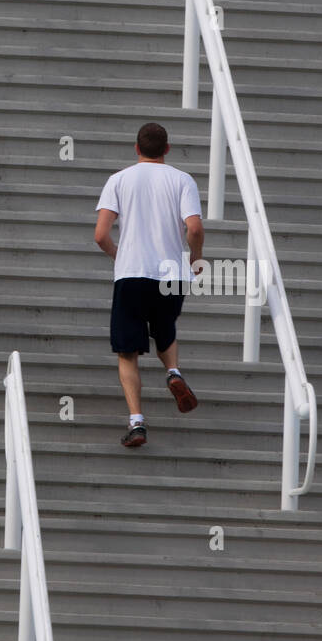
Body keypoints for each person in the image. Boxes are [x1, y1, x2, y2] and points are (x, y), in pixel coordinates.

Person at [94, 122, 204, 448]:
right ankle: (173, 373)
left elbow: (100, 234)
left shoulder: (119, 180)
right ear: (167, 149)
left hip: (131, 273)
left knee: (128, 351)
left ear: (136, 148)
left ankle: (137, 422)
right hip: (171, 274)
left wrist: (118, 254)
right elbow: (194, 229)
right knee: (165, 328)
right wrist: (196, 259)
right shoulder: (183, 180)